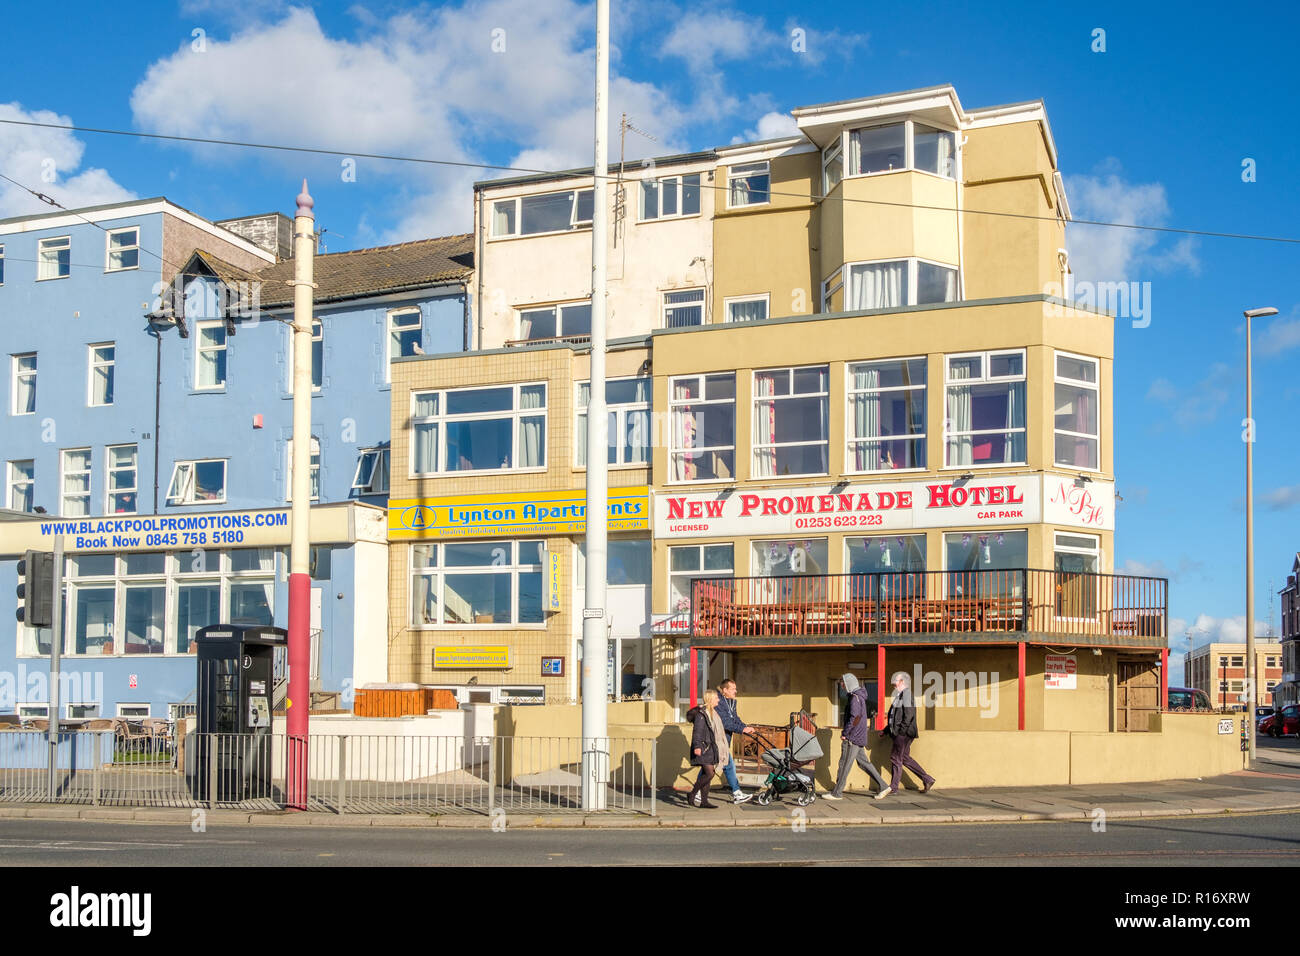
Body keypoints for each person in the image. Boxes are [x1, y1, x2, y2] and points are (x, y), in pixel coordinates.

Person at [822, 673, 888, 800]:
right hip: (859, 736)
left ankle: (837, 793)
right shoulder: (859, 697)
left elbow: (855, 717)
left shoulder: (854, 698)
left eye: (843, 683)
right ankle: (884, 786)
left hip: (852, 737)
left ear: (849, 684)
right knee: (864, 764)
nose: (842, 685)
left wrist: (845, 733)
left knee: (844, 764)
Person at [878, 670, 936, 799]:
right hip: (903, 733)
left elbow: (908, 715)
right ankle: (927, 779)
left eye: (895, 683)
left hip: (903, 734)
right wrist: (886, 730)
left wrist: (900, 733)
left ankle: (893, 787)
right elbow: (895, 717)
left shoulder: (907, 694)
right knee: (903, 758)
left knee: (895, 758)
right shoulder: (901, 696)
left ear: (902, 682)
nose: (893, 685)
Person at [685, 689, 730, 809]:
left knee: (707, 773)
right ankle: (692, 793)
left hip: (710, 748)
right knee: (710, 773)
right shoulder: (702, 714)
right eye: (716, 698)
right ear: (710, 699)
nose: (718, 700)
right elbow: (697, 732)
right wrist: (697, 746)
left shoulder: (713, 713)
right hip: (704, 748)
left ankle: (704, 801)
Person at [715, 679, 754, 804]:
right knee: (728, 765)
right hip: (718, 740)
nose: (736, 691)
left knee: (708, 768)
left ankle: (697, 792)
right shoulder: (719, 702)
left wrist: (745, 727)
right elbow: (725, 723)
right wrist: (742, 729)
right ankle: (737, 793)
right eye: (733, 689)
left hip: (724, 740)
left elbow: (735, 719)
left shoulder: (731, 702)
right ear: (725, 690)